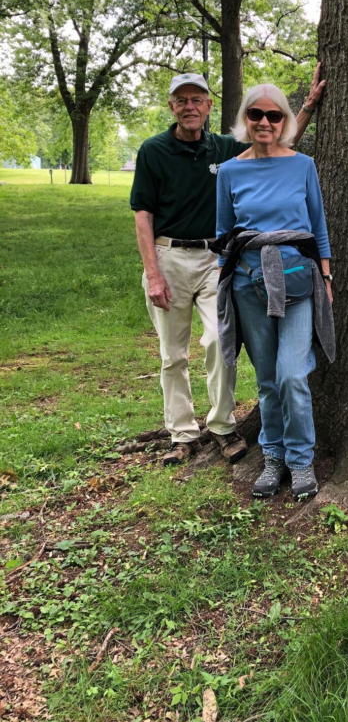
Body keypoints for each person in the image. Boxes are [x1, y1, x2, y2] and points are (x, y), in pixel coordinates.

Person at [131, 67, 325, 466]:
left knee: (220, 344)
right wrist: (153, 272)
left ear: (208, 105)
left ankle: (222, 425)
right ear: (172, 106)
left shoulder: (223, 149)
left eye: (197, 100)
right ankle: (182, 433)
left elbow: (275, 144)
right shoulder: (154, 150)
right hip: (173, 257)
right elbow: (143, 215)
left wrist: (305, 106)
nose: (190, 107)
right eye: (182, 100)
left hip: (216, 261)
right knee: (173, 354)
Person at [215, 83, 333, 502]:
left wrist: (327, 276)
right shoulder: (229, 171)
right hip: (248, 286)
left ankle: (301, 460)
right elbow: (223, 235)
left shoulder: (303, 165)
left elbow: (317, 225)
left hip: (300, 282)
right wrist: (225, 286)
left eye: (274, 115)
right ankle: (274, 457)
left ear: (284, 121)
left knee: (292, 375)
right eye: (256, 115)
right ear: (244, 120)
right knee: (266, 381)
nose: (265, 122)